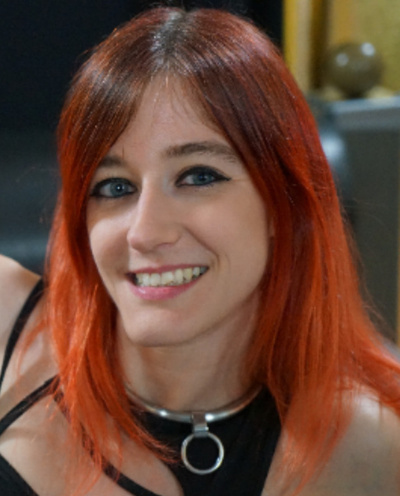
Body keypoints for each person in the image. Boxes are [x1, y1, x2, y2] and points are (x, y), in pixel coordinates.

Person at [0, 6, 400, 496]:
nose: (144, 232)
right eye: (115, 186)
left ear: (283, 205)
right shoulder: (7, 324)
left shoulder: (366, 446)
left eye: (198, 176)